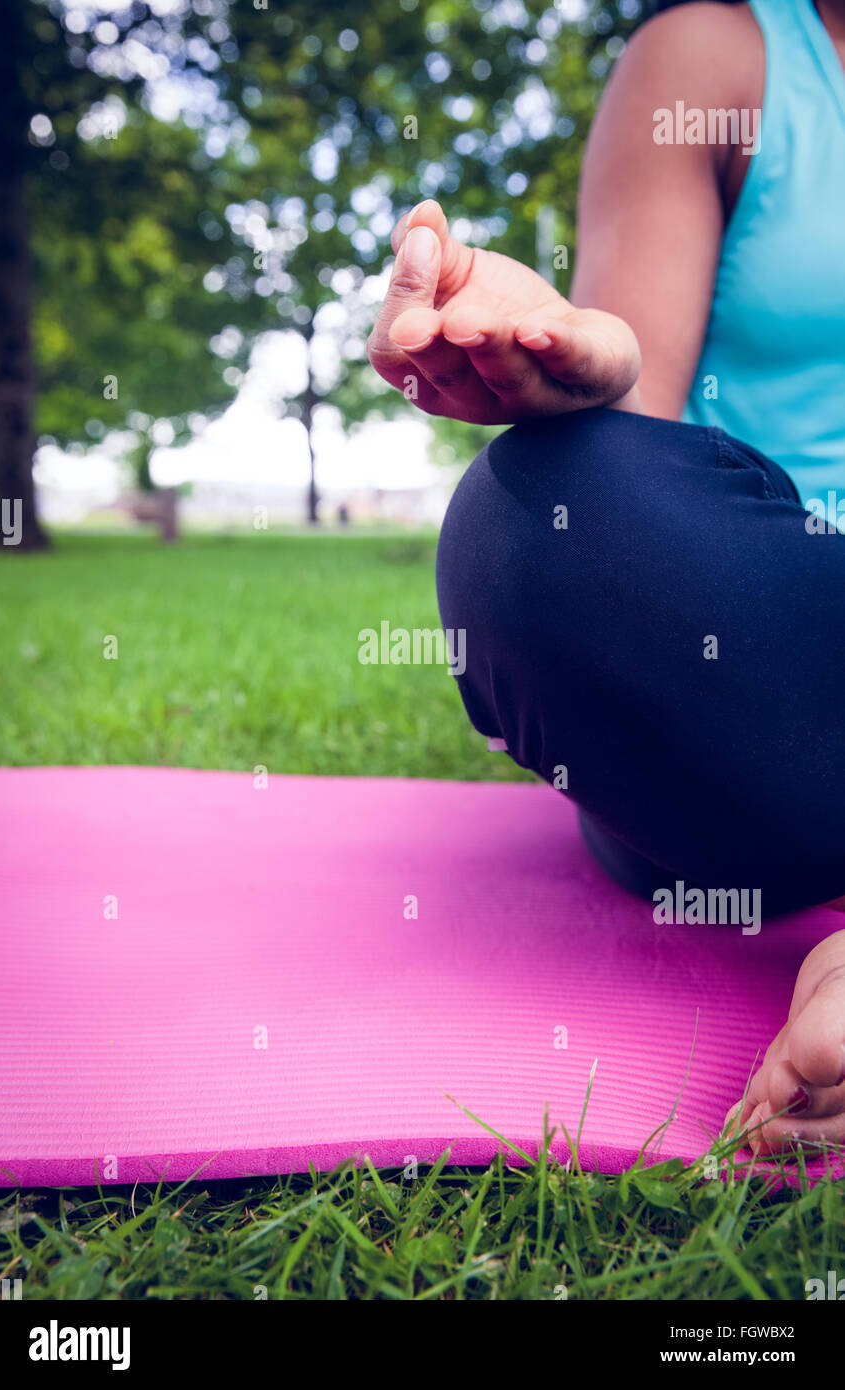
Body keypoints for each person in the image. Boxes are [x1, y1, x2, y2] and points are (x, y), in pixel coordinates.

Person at [366, 0, 845, 1159]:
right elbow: (638, 419)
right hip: (780, 675)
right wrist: (577, 364)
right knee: (533, 523)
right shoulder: (719, 58)